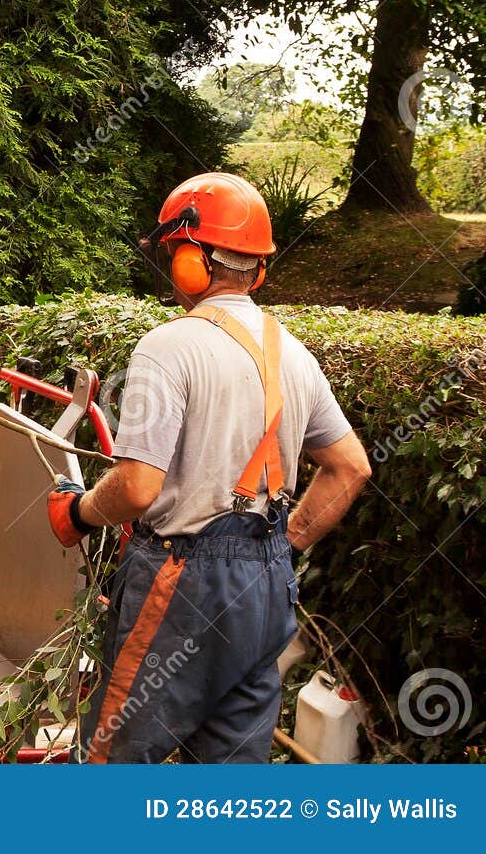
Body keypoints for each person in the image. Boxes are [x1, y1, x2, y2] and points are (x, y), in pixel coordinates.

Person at [48, 172, 371, 763]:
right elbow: (350, 468)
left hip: (183, 581)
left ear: (191, 261)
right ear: (258, 269)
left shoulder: (169, 345)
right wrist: (283, 545)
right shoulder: (293, 353)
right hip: (265, 588)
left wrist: (80, 510)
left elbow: (139, 487)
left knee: (110, 759)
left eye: (175, 251)